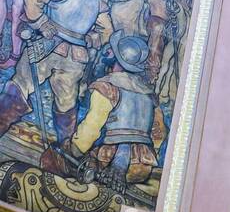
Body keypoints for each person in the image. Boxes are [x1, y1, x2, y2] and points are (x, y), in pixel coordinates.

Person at [0, 0, 113, 148]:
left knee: (21, 86)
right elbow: (106, 31)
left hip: (46, 46)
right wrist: (89, 39)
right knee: (66, 101)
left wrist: (41, 22)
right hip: (76, 57)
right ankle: (65, 146)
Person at [43, 32, 164, 188]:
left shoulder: (107, 87)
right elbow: (158, 134)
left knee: (52, 157)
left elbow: (90, 131)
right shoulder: (149, 95)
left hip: (108, 160)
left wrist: (71, 150)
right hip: (142, 166)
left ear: (116, 58)